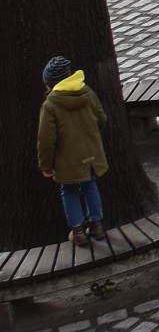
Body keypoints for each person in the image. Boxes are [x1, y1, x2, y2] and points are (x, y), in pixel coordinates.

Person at [37, 57, 109, 246]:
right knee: (90, 186)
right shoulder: (87, 93)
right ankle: (97, 225)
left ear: (50, 83)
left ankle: (77, 231)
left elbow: (46, 140)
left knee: (69, 191)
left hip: (66, 160)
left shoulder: (50, 105)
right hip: (91, 154)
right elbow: (102, 118)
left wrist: (45, 164)